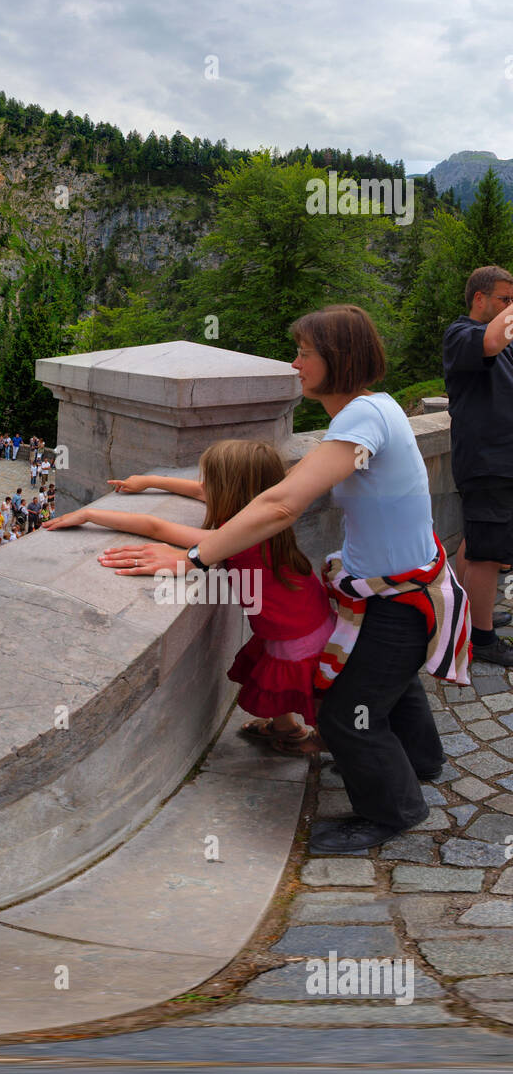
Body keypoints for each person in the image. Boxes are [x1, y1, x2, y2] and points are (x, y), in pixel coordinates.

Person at [87, 305, 465, 855]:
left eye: (305, 354)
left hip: (399, 598)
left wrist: (195, 557)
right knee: (387, 679)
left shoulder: (361, 420)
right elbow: (272, 489)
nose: (295, 363)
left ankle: (393, 811)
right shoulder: (374, 413)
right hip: (400, 590)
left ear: (336, 359)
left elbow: (283, 502)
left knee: (342, 713)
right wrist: (167, 488)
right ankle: (423, 761)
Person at [49, 439, 329, 754]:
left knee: (312, 693)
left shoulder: (236, 537)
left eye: (210, 480)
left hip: (295, 633)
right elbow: (199, 492)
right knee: (288, 675)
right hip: (304, 616)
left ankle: (326, 741)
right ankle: (288, 730)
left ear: (228, 490)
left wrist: (89, 514)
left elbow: (155, 527)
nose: (202, 486)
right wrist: (150, 481)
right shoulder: (261, 519)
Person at [441, 265, 513, 668]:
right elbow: (490, 341)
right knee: (487, 553)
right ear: (479, 299)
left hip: (499, 460)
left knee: (476, 542)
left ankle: (467, 617)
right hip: (487, 461)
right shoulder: (463, 335)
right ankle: (483, 641)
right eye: (505, 299)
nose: (509, 308)